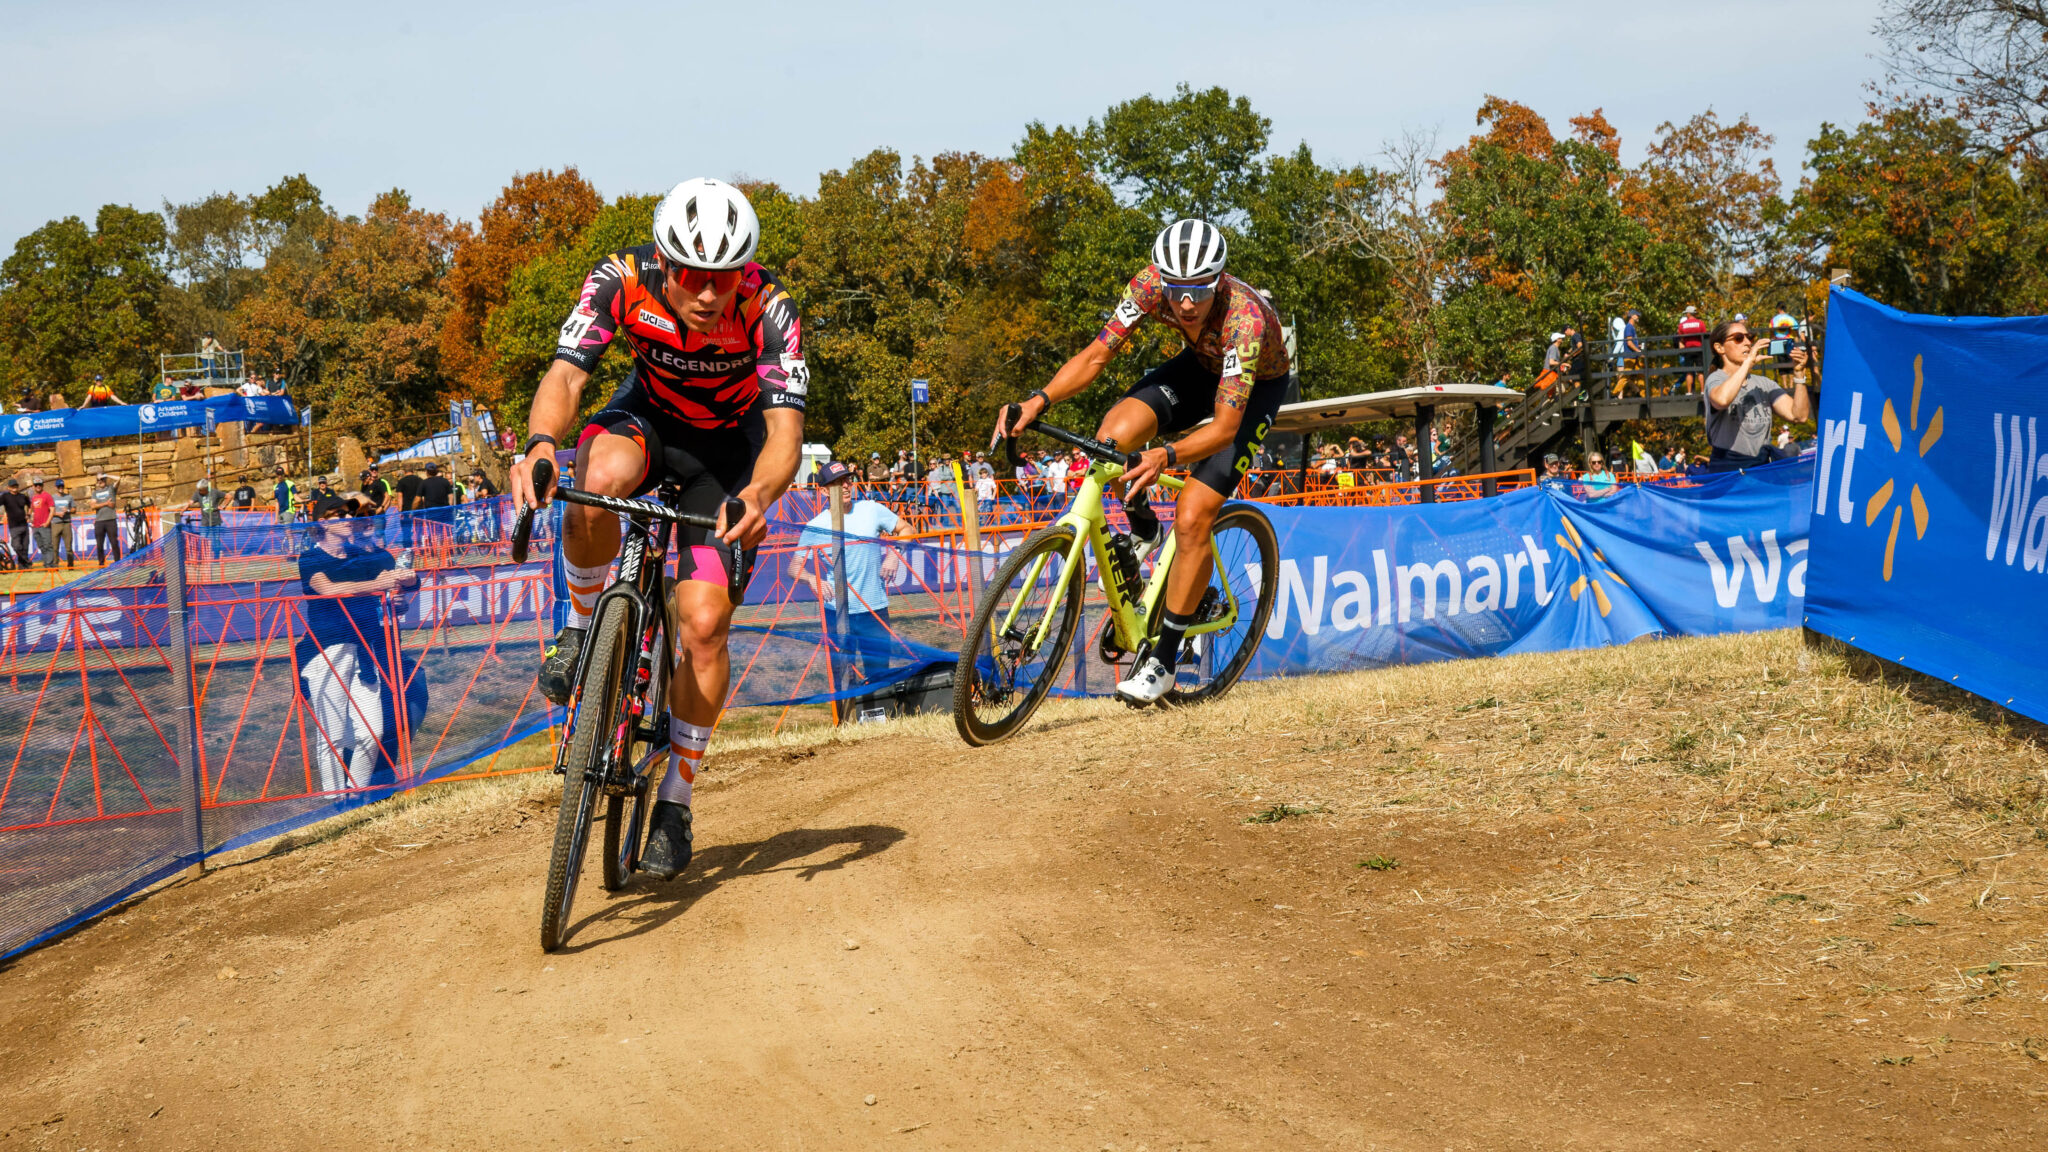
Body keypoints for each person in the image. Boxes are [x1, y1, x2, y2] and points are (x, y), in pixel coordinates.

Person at [508, 177, 805, 882]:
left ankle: (675, 800)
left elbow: (786, 433)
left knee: (703, 625)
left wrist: (759, 494)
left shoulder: (772, 308)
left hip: (730, 456)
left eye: (724, 277)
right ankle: (583, 630)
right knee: (592, 484)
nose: (709, 293)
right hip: (647, 422)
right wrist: (541, 444)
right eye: (694, 276)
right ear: (665, 264)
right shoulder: (619, 279)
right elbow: (566, 377)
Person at [995, 218, 1290, 705]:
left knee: (1194, 514)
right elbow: (1095, 356)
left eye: (1199, 289)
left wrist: (1166, 454)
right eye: (1177, 289)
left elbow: (1223, 429)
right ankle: (1144, 525)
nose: (1186, 303)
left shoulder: (1245, 321)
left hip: (1252, 390)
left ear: (1219, 282)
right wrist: (1036, 402)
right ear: (1162, 280)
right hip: (1199, 367)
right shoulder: (1149, 286)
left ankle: (1165, 660)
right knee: (1111, 435)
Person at [295, 495, 424, 796]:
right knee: (332, 736)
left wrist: (405, 581)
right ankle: (334, 803)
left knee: (372, 732)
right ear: (322, 523)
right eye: (339, 514)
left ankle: (356, 795)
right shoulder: (310, 558)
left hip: (366, 649)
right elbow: (330, 590)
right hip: (327, 651)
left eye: (349, 514)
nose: (347, 518)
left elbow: (388, 577)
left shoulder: (359, 558)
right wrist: (380, 584)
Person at [790, 462, 905, 688]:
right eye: (836, 483)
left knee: (880, 672)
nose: (845, 486)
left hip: (874, 608)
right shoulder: (814, 526)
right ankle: (846, 721)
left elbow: (907, 529)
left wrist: (895, 554)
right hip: (837, 612)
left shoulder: (871, 508)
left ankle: (881, 720)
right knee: (842, 676)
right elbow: (793, 568)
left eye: (847, 480)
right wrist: (812, 579)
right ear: (823, 491)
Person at [1704, 318, 1812, 471]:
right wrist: (1748, 362)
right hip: (1728, 469)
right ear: (1719, 347)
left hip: (1761, 468)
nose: (1747, 342)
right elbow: (1721, 400)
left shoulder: (1764, 383)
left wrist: (1799, 374)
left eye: (1750, 337)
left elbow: (1799, 416)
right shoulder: (1715, 379)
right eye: (1738, 338)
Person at [1676, 304, 1707, 392]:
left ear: (1689, 314)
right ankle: (1703, 391)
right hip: (1699, 349)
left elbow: (1681, 338)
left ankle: (1689, 392)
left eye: (1686, 313)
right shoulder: (1700, 323)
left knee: (1689, 371)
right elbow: (1704, 336)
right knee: (1701, 371)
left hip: (1688, 350)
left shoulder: (1682, 325)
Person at [91, 471, 121, 563]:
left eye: (102, 479)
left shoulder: (111, 488)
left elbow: (119, 479)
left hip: (110, 519)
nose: (100, 481)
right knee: (99, 544)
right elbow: (93, 506)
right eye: (98, 480)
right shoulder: (95, 493)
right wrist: (106, 503)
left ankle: (117, 562)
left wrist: (106, 475)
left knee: (114, 543)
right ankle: (101, 564)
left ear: (105, 479)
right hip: (99, 521)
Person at [0, 478, 31, 566]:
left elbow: (30, 505)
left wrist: (28, 514)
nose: (14, 487)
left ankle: (24, 567)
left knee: (25, 547)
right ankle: (27, 561)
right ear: (9, 487)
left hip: (24, 525)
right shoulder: (5, 497)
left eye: (16, 486)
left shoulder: (22, 496)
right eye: (12, 486)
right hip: (14, 526)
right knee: (16, 546)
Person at [47, 479, 75, 569]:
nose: (61, 488)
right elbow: (48, 511)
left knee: (69, 547)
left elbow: (74, 509)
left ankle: (70, 566)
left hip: (66, 523)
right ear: (55, 487)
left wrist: (67, 510)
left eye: (62, 486)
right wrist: (57, 514)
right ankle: (55, 566)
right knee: (55, 547)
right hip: (55, 523)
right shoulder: (52, 498)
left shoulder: (69, 497)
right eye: (59, 486)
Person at [29, 478, 56, 567]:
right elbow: (32, 510)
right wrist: (31, 521)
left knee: (48, 545)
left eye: (40, 484)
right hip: (35, 526)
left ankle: (50, 564)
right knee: (41, 546)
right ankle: (46, 564)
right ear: (33, 486)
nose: (38, 486)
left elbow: (52, 510)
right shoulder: (33, 498)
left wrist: (47, 522)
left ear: (42, 485)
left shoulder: (47, 496)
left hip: (44, 525)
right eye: (36, 485)